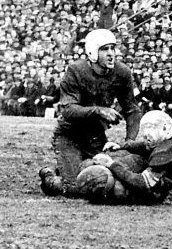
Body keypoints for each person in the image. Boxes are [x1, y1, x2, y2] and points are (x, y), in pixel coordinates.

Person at [39, 28, 140, 195]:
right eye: (105, 49)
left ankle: (68, 168)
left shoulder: (122, 72)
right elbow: (67, 109)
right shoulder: (76, 70)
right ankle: (50, 175)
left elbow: (132, 110)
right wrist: (98, 111)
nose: (111, 54)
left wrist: (129, 141)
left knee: (105, 178)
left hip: (96, 138)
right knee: (76, 188)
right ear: (92, 52)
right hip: (70, 136)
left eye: (113, 48)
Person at [70, 111, 172, 204]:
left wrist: (112, 164)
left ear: (165, 128)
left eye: (151, 131)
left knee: (123, 190)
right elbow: (147, 145)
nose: (147, 136)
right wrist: (122, 146)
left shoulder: (165, 152)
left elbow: (141, 182)